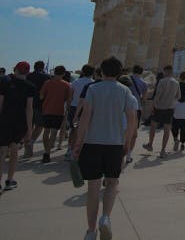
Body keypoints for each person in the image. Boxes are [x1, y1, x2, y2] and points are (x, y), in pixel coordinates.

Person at [73, 57, 138, 240]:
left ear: (101, 72)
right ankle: (105, 218)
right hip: (115, 144)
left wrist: (78, 142)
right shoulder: (125, 91)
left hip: (93, 143)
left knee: (93, 188)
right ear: (120, 72)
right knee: (112, 184)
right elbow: (131, 118)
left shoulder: (93, 89)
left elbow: (86, 116)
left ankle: (91, 230)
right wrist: (127, 142)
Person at [0, 61, 37, 199]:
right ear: (27, 72)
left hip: (5, 120)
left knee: (1, 151)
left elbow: (0, 105)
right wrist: (29, 129)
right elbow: (29, 110)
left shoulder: (5, 83)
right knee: (14, 150)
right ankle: (9, 180)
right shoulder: (30, 87)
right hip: (20, 123)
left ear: (15, 70)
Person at [143, 65, 179, 158]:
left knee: (153, 126)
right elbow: (178, 96)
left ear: (165, 71)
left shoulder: (162, 81)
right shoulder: (176, 83)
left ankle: (150, 144)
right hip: (170, 108)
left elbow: (157, 95)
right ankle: (163, 150)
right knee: (167, 129)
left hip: (159, 107)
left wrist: (152, 106)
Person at [38, 65, 72, 163]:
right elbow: (68, 101)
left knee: (45, 132)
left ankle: (46, 150)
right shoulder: (67, 85)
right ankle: (47, 153)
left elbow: (41, 96)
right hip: (59, 111)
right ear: (64, 74)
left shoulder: (47, 83)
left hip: (46, 109)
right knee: (53, 133)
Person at [67, 65, 95, 160]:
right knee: (84, 130)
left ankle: (70, 150)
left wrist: (68, 107)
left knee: (73, 130)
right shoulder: (93, 84)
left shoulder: (75, 82)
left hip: (74, 107)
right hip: (87, 108)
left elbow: (70, 97)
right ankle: (79, 151)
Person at [25, 60, 50, 157]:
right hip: (40, 105)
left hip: (27, 104)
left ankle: (27, 145)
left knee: (28, 126)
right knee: (39, 125)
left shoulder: (28, 76)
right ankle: (31, 142)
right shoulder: (46, 77)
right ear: (43, 67)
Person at [124, 65, 147, 163]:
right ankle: (128, 155)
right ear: (141, 72)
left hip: (122, 107)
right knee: (133, 134)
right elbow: (144, 99)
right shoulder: (143, 83)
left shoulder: (124, 79)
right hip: (135, 108)